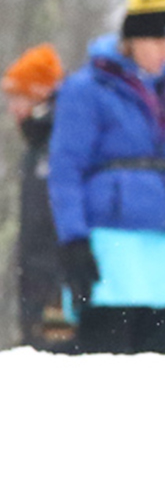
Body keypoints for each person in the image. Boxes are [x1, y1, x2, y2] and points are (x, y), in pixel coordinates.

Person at [46, 0, 165, 354]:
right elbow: (66, 168)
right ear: (131, 40)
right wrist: (72, 237)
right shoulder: (87, 88)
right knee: (108, 362)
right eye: (156, 40)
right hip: (115, 247)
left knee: (160, 365)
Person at [8, 44, 71, 351]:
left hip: (58, 285)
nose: (13, 108)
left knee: (56, 357)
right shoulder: (36, 146)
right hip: (35, 280)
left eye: (20, 97)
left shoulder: (59, 140)